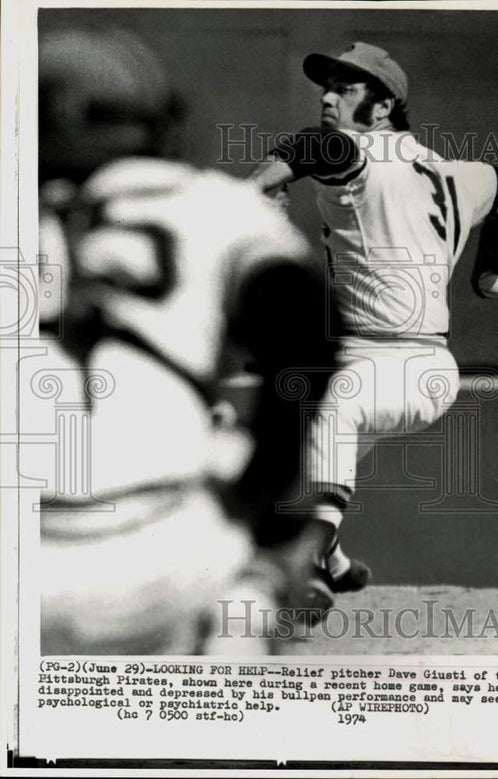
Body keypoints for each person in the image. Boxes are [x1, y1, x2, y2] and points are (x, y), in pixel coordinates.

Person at [36, 27, 336, 653]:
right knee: (238, 463)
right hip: (163, 557)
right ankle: (243, 616)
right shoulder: (209, 203)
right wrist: (265, 498)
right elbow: (305, 326)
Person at [249, 41, 498, 615]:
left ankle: (310, 557)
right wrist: (495, 236)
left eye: (346, 88)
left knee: (327, 409)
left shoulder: (360, 153)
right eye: (327, 86)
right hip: (393, 367)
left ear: (384, 107)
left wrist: (265, 179)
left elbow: (315, 145)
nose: (328, 97)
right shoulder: (464, 176)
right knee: (287, 462)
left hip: (398, 365)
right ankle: (334, 562)